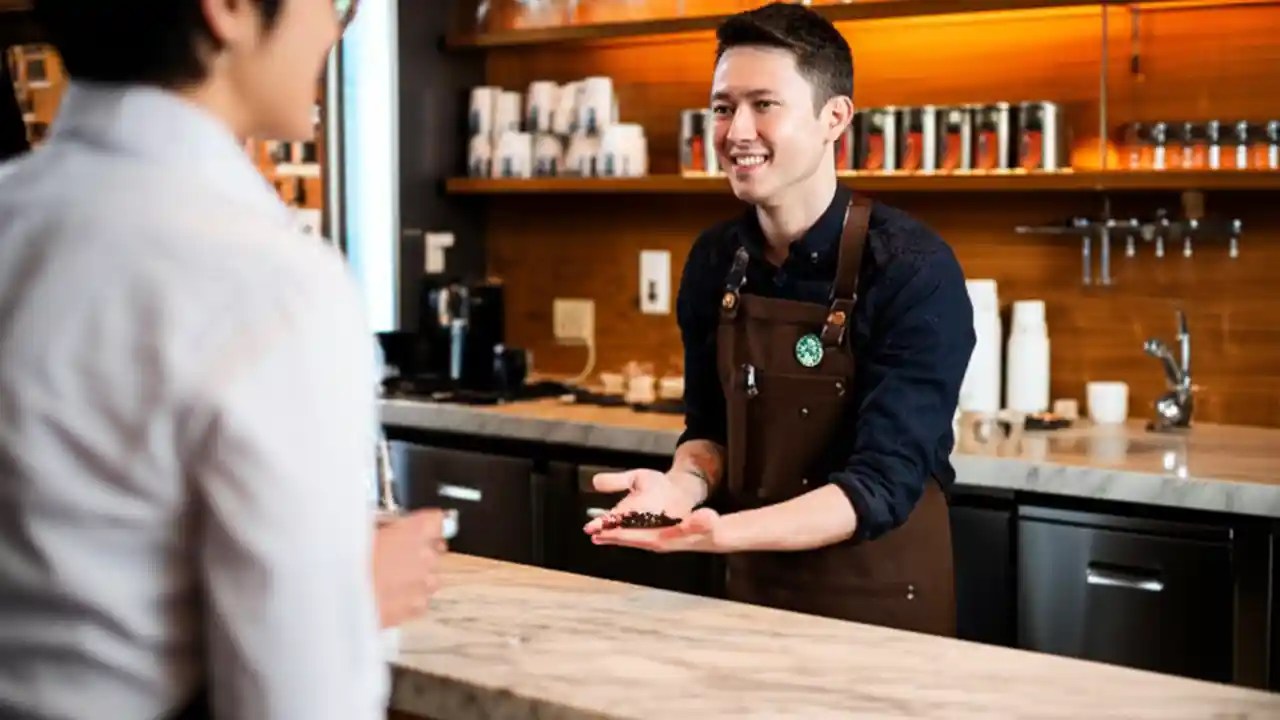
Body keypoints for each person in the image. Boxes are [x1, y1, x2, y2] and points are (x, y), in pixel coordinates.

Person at [0, 1, 445, 718]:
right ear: (229, 9)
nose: (336, 28)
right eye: (332, 3)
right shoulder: (270, 282)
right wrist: (336, 607)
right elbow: (298, 705)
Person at [585, 2, 975, 637]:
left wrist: (719, 533)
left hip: (879, 616)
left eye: (764, 104)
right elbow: (710, 432)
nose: (737, 130)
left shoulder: (913, 269)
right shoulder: (716, 260)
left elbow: (882, 483)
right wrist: (679, 490)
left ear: (834, 118)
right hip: (749, 601)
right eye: (721, 107)